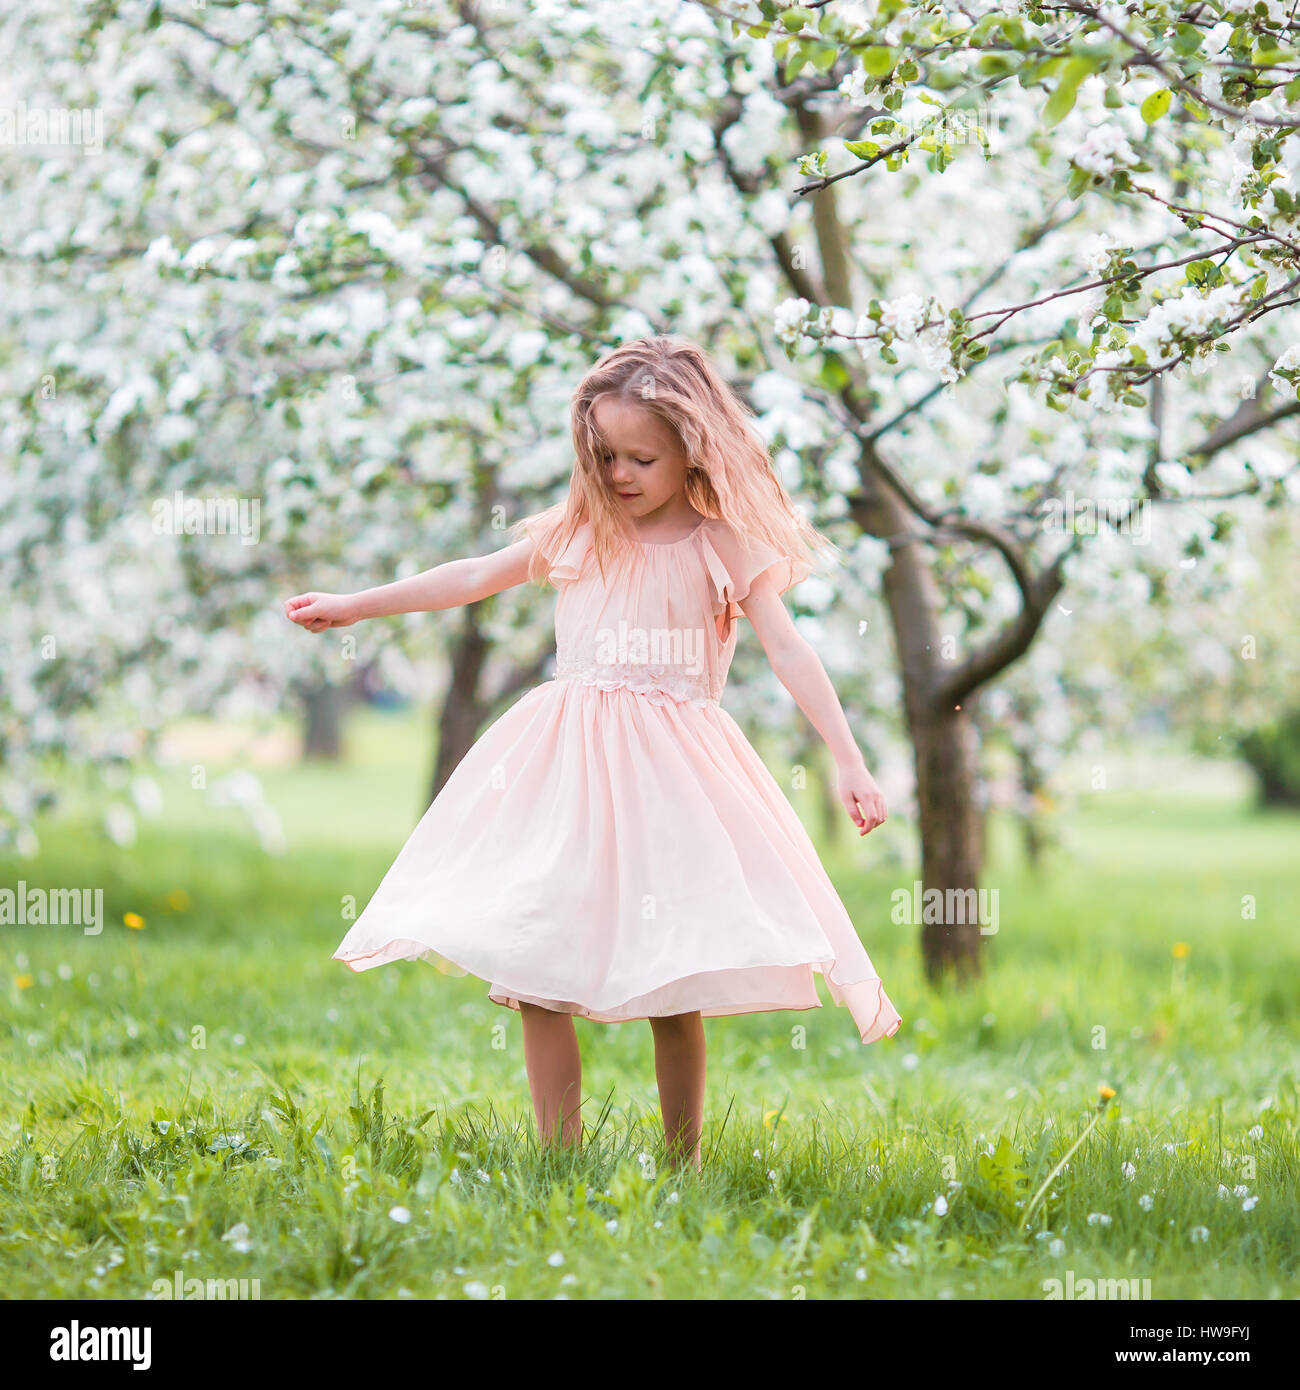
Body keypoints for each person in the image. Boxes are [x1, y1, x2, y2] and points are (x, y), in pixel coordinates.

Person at [284, 335, 902, 1173]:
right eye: (605, 455)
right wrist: (357, 606)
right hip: (568, 768)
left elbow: (790, 651)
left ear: (693, 448)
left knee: (674, 970)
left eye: (641, 458)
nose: (620, 475)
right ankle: (558, 1154)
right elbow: (472, 576)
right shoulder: (582, 531)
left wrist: (848, 757)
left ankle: (682, 1159)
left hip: (677, 782)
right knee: (540, 957)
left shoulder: (723, 545)